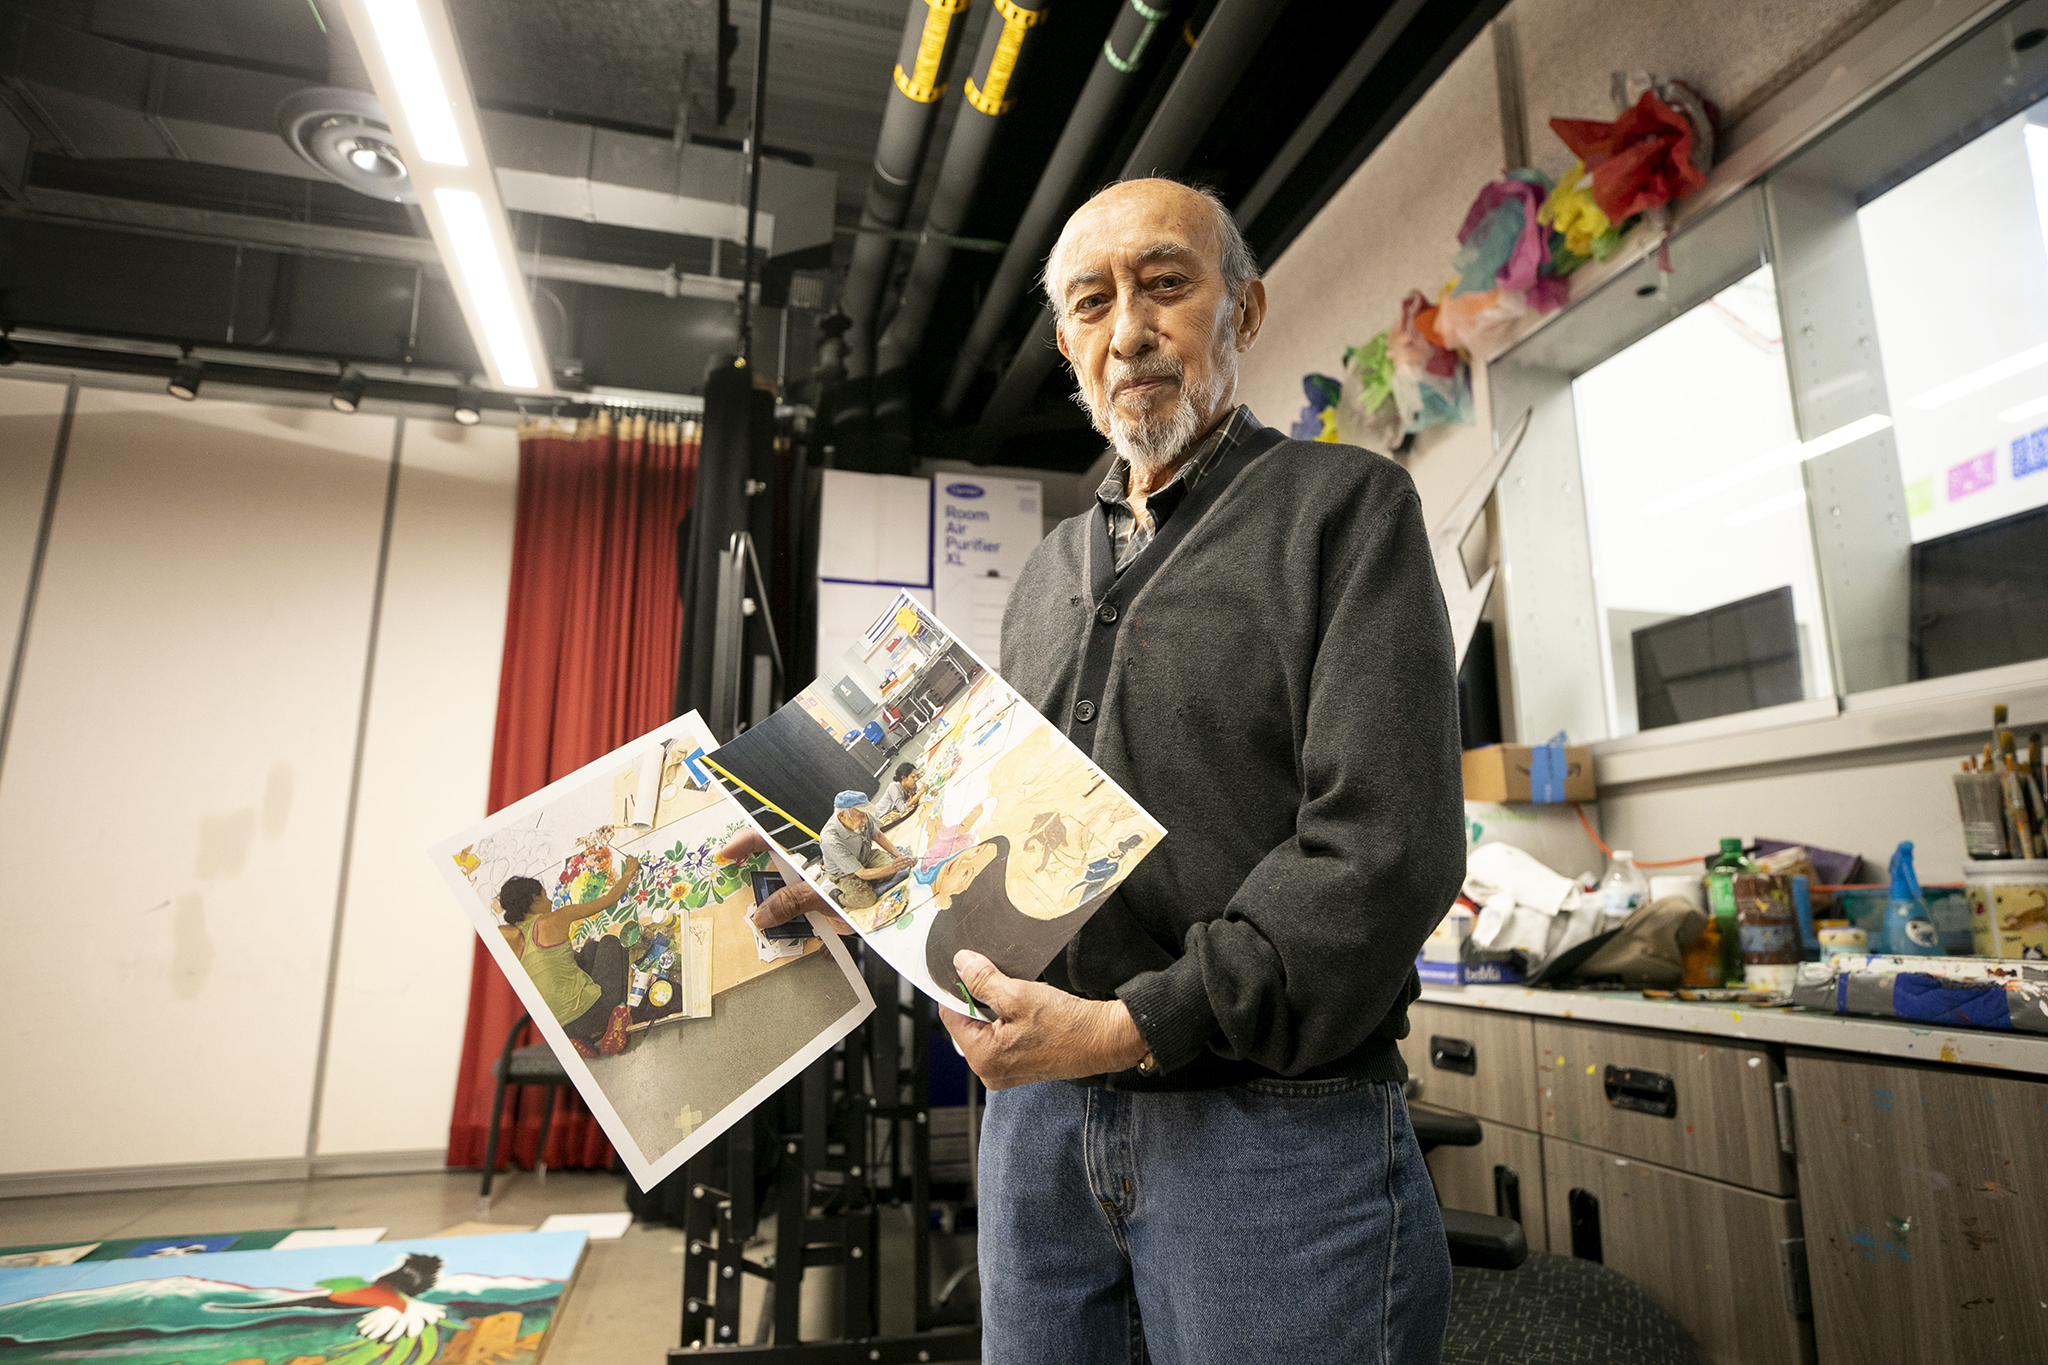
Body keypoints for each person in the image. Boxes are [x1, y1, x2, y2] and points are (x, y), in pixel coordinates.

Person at [748, 177, 1465, 1362]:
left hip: (1270, 1130)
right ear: (1068, 346)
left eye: (1164, 284)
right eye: (1089, 304)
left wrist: (1135, 1024)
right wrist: (863, 885)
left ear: (1240, 310)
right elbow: (1001, 830)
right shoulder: (1043, 574)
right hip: (1035, 1128)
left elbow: (1383, 848)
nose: (1125, 329)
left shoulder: (1344, 511)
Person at [496, 854, 643, 1058]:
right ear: (534, 900)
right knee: (610, 941)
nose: (550, 901)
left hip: (559, 1029)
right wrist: (629, 872)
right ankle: (610, 1022)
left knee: (590, 950)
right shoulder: (556, 918)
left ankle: (583, 1040)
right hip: (595, 1011)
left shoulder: (511, 939)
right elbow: (608, 900)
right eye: (545, 896)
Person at [817, 791, 914, 911]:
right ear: (842, 816)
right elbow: (860, 872)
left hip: (865, 856)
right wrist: (891, 868)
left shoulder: (862, 815)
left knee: (891, 869)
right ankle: (838, 898)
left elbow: (877, 835)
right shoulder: (830, 839)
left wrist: (899, 856)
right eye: (860, 816)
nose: (865, 820)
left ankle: (871, 881)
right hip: (844, 874)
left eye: (864, 815)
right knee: (867, 899)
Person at [873, 762, 922, 830]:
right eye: (913, 776)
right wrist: (919, 794)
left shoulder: (912, 786)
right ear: (903, 778)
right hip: (877, 817)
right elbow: (902, 809)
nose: (916, 779)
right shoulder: (894, 787)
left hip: (893, 812)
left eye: (917, 776)